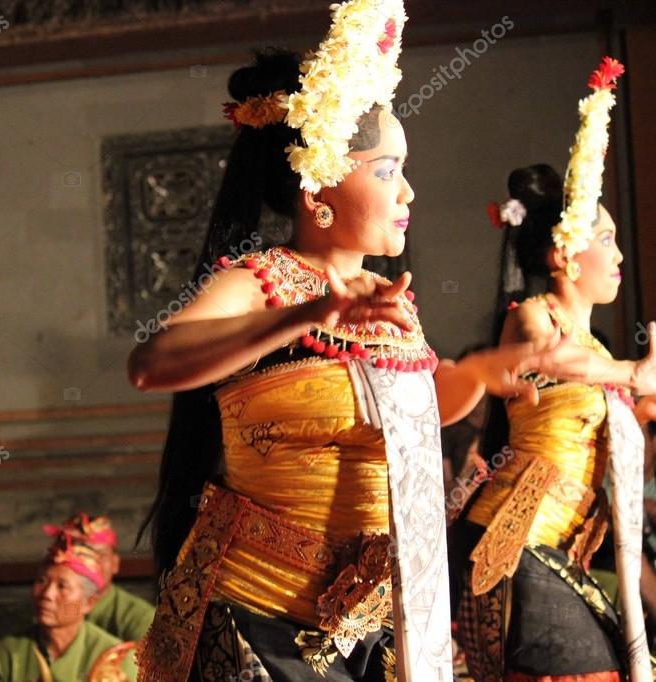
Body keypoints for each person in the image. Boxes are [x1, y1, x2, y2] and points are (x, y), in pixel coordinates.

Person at [127, 1, 553, 679]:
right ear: (316, 187)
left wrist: (478, 371)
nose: (408, 190)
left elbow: (412, 416)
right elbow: (151, 366)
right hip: (258, 619)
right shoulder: (259, 282)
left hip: (374, 619)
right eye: (386, 171)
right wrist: (305, 316)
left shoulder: (391, 301)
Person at [457, 57, 656, 681]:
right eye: (607, 240)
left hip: (552, 546)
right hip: (512, 537)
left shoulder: (595, 348)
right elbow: (543, 359)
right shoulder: (532, 317)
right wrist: (630, 374)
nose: (619, 254)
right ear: (564, 254)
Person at [0, 535, 138, 681]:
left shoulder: (114, 659)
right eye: (42, 581)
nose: (47, 594)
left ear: (89, 603)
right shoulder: (8, 653)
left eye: (62, 586)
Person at [44, 513, 154, 642]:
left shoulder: (140, 619)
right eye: (78, 553)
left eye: (100, 555)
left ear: (115, 563)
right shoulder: (47, 607)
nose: (89, 562)